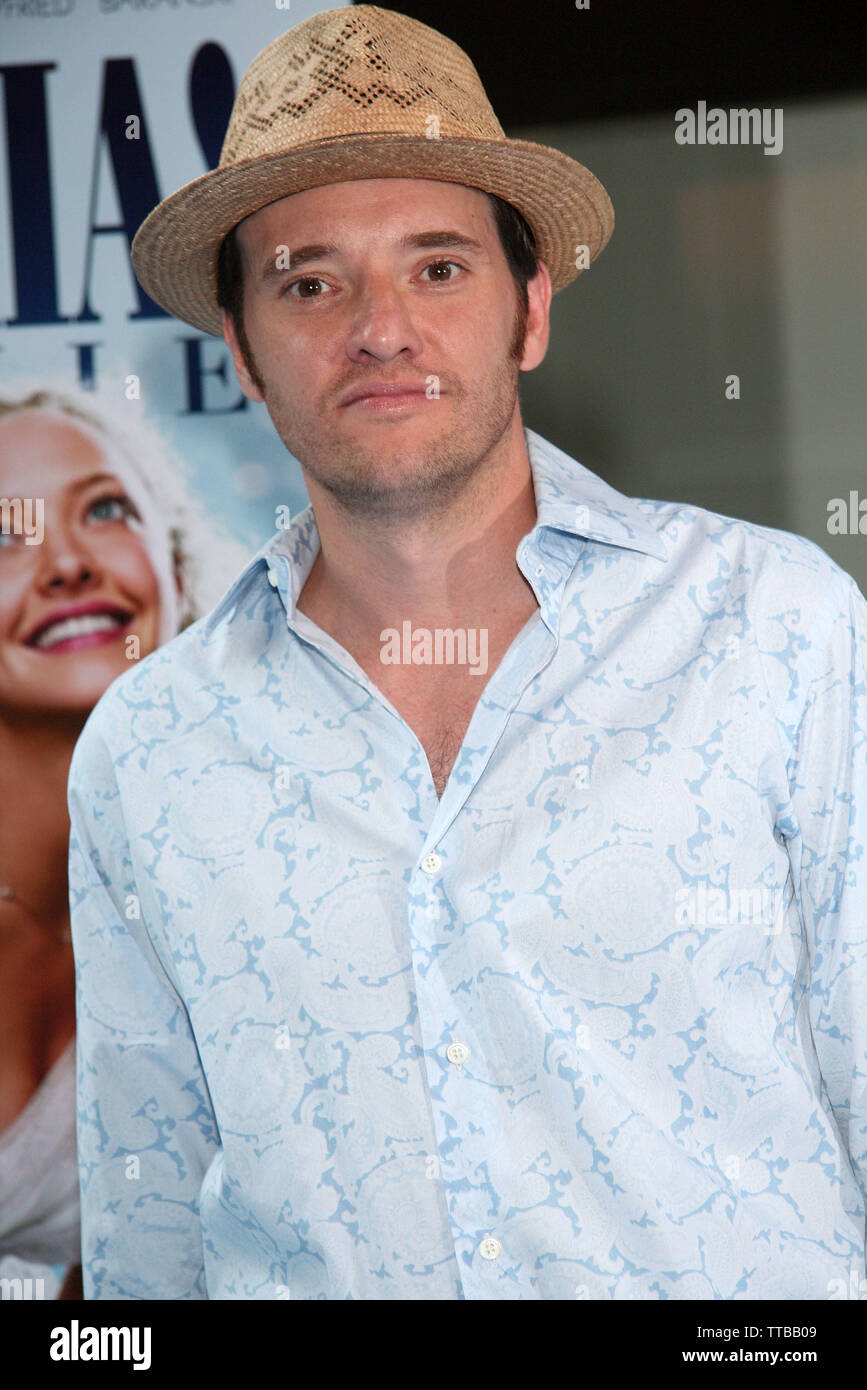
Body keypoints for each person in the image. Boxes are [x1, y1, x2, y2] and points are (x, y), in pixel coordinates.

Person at [68, 5, 867, 1300]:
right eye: (308, 281)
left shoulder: (774, 629)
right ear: (241, 360)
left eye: (436, 267)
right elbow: (144, 1231)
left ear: (529, 308)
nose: (378, 326)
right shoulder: (149, 750)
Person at [0, 382, 243, 1300]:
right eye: (2, 535)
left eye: (105, 510)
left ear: (176, 566)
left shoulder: (240, 885)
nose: (66, 564)